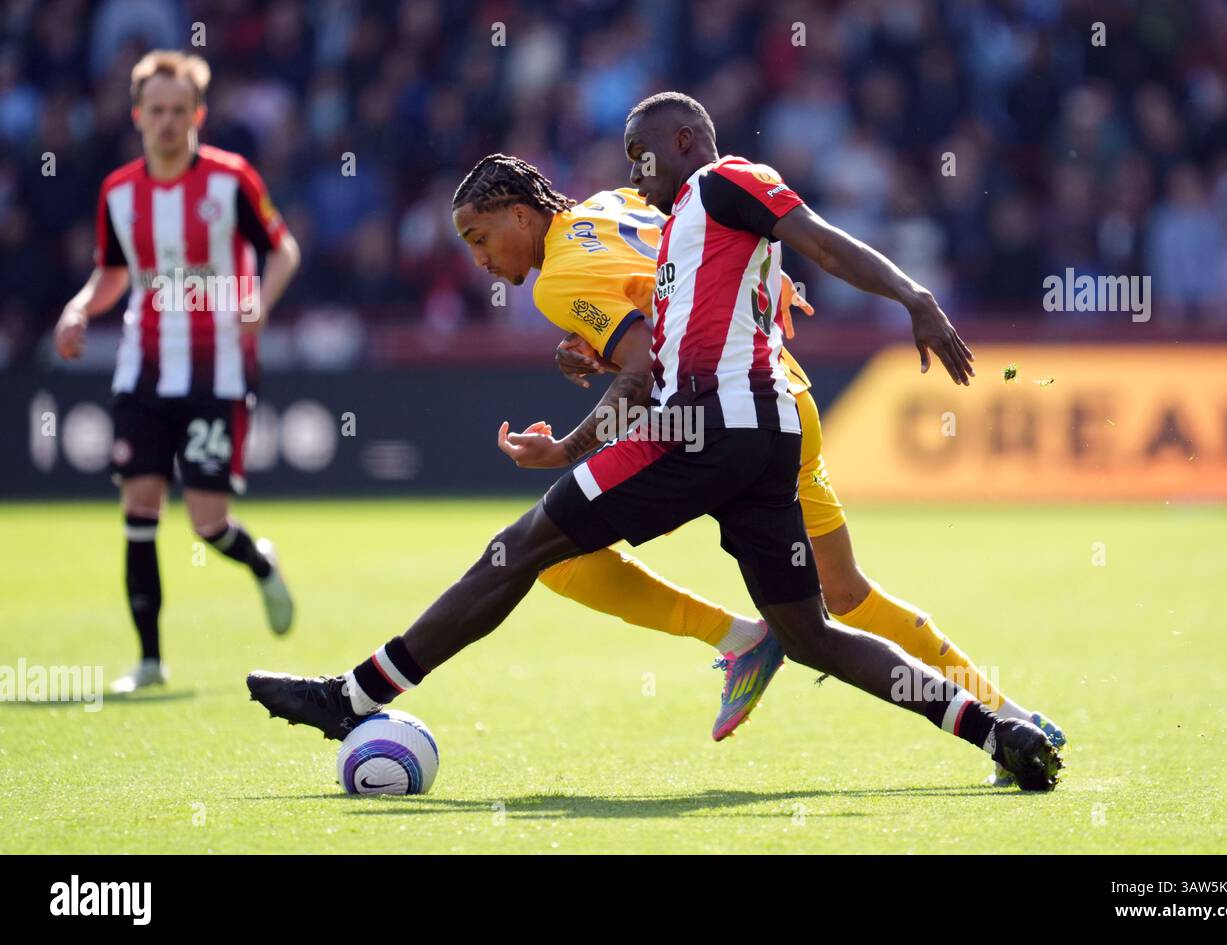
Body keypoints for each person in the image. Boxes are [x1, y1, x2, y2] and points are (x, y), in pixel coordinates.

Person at [248, 92, 1061, 790]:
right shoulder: (637, 213)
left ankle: (352, 695)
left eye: (478, 236)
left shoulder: (708, 183)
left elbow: (785, 257)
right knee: (823, 618)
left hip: (700, 424)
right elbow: (689, 310)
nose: (636, 173)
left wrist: (913, 294)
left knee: (526, 546)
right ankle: (1000, 726)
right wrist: (618, 349)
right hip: (777, 413)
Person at [448, 152, 1064, 782]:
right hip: (784, 400)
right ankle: (1012, 718)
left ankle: (741, 637)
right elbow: (692, 268)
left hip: (709, 418)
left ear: (520, 216)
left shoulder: (561, 278)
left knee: (551, 554)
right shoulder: (619, 205)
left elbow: (651, 354)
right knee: (846, 594)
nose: (481, 260)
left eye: (479, 239)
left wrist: (572, 436)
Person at [53, 50, 300, 692]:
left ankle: (259, 562)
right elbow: (112, 274)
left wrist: (259, 302)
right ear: (138, 116)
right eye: (155, 111)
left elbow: (283, 250)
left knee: (206, 523)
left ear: (198, 113)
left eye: (178, 111)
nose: (166, 122)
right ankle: (150, 660)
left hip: (218, 370)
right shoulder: (119, 191)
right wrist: (80, 309)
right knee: (139, 506)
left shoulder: (231, 180)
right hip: (144, 367)